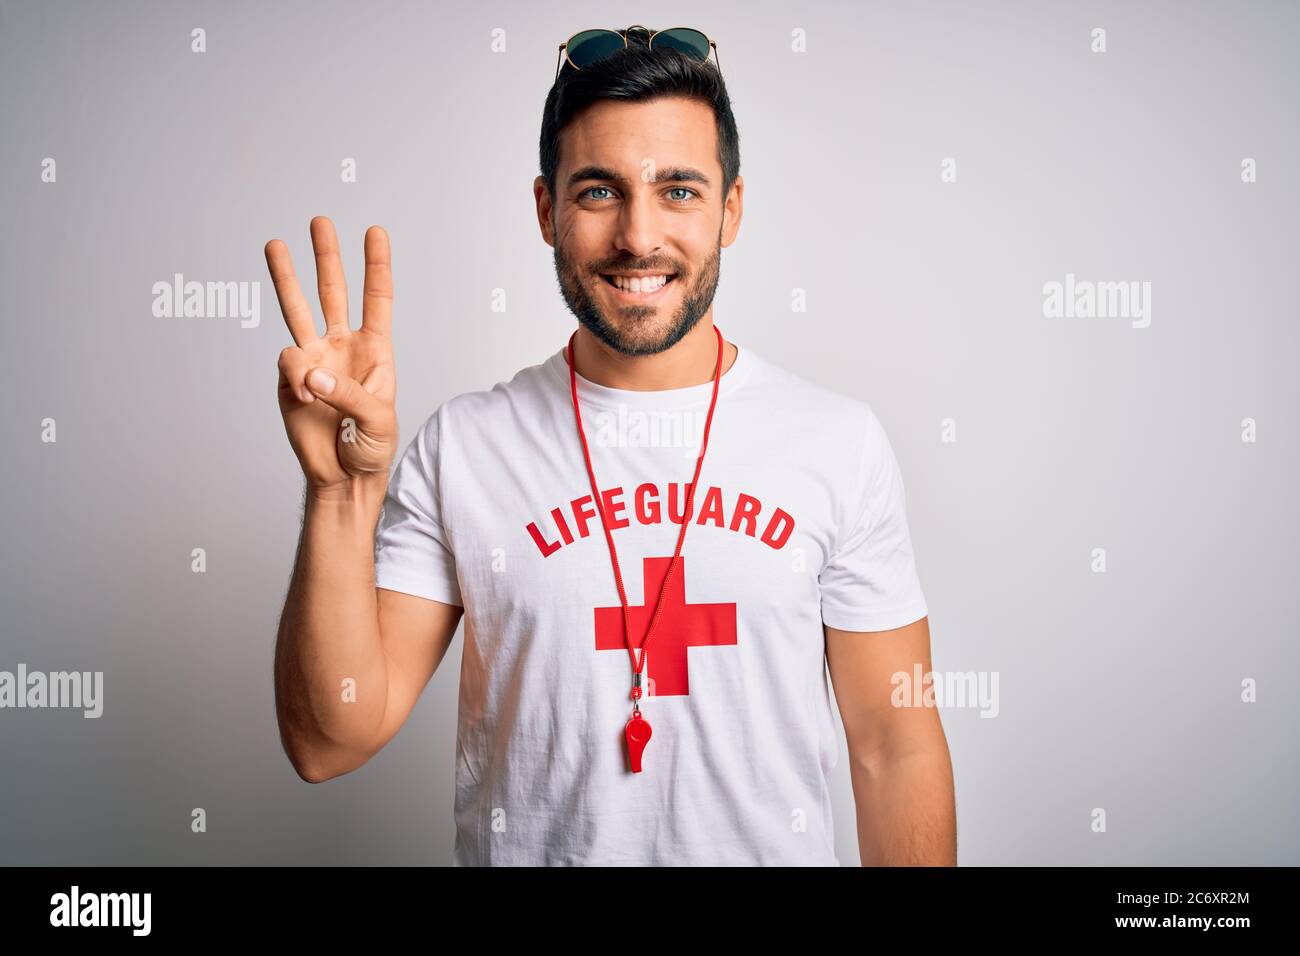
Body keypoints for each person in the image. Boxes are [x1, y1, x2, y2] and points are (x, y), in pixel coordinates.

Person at [267, 25, 956, 866]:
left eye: (679, 190)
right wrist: (338, 494)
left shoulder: (837, 444)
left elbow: (895, 746)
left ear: (730, 208)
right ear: (546, 209)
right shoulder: (465, 449)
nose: (638, 236)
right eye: (598, 192)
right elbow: (328, 741)